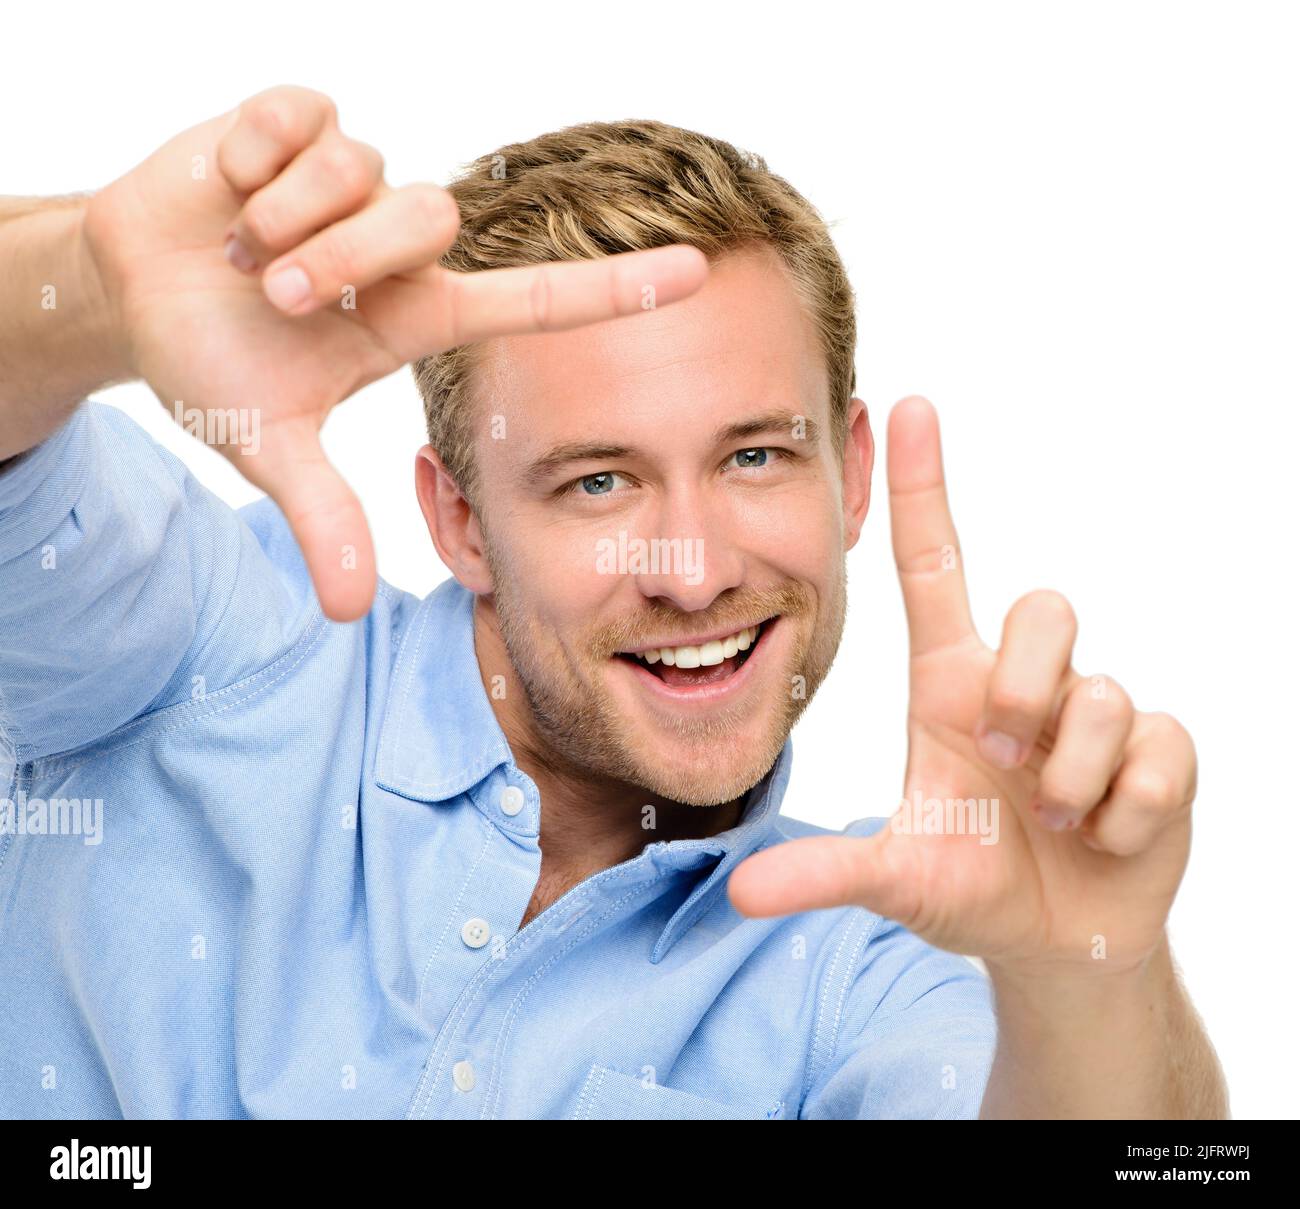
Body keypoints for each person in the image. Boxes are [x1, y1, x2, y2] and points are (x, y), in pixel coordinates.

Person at [0, 86, 1226, 1119]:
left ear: (848, 476)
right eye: (597, 481)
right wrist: (84, 295)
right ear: (460, 521)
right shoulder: (209, 650)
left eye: (754, 457)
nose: (693, 572)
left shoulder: (875, 954)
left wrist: (1087, 978)